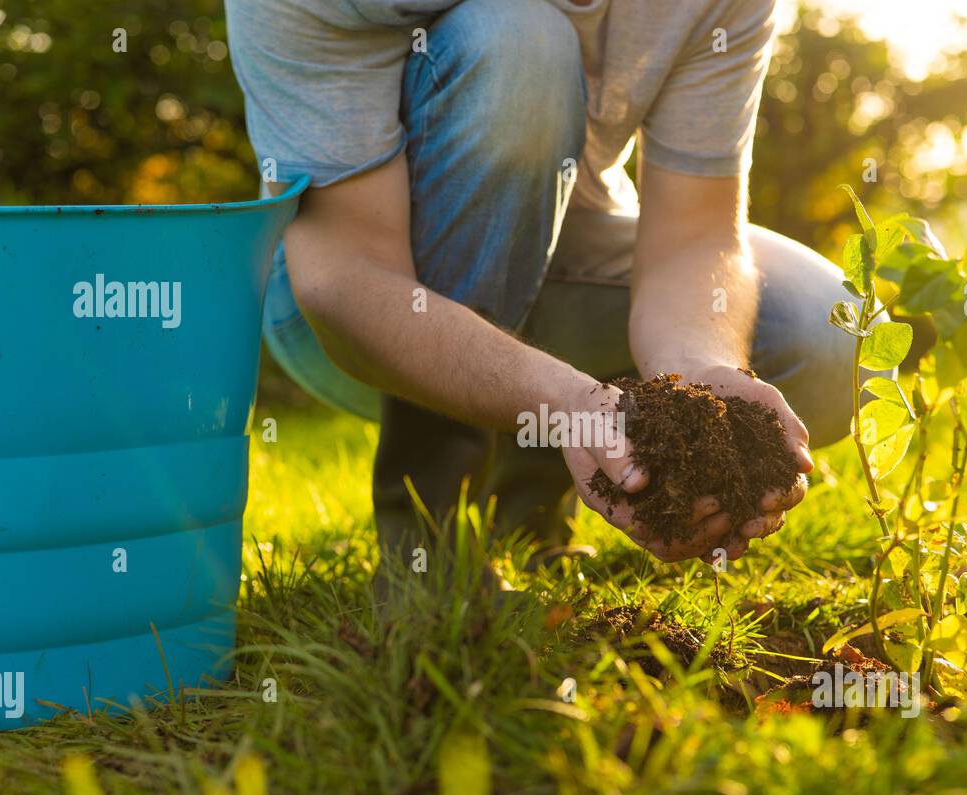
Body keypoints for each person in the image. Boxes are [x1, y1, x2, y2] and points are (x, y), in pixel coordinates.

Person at [226, 0, 865, 565]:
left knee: (831, 336)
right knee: (519, 40)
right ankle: (429, 535)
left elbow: (693, 236)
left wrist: (696, 374)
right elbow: (347, 273)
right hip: (337, 299)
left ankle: (526, 508)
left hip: (566, 248)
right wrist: (562, 406)